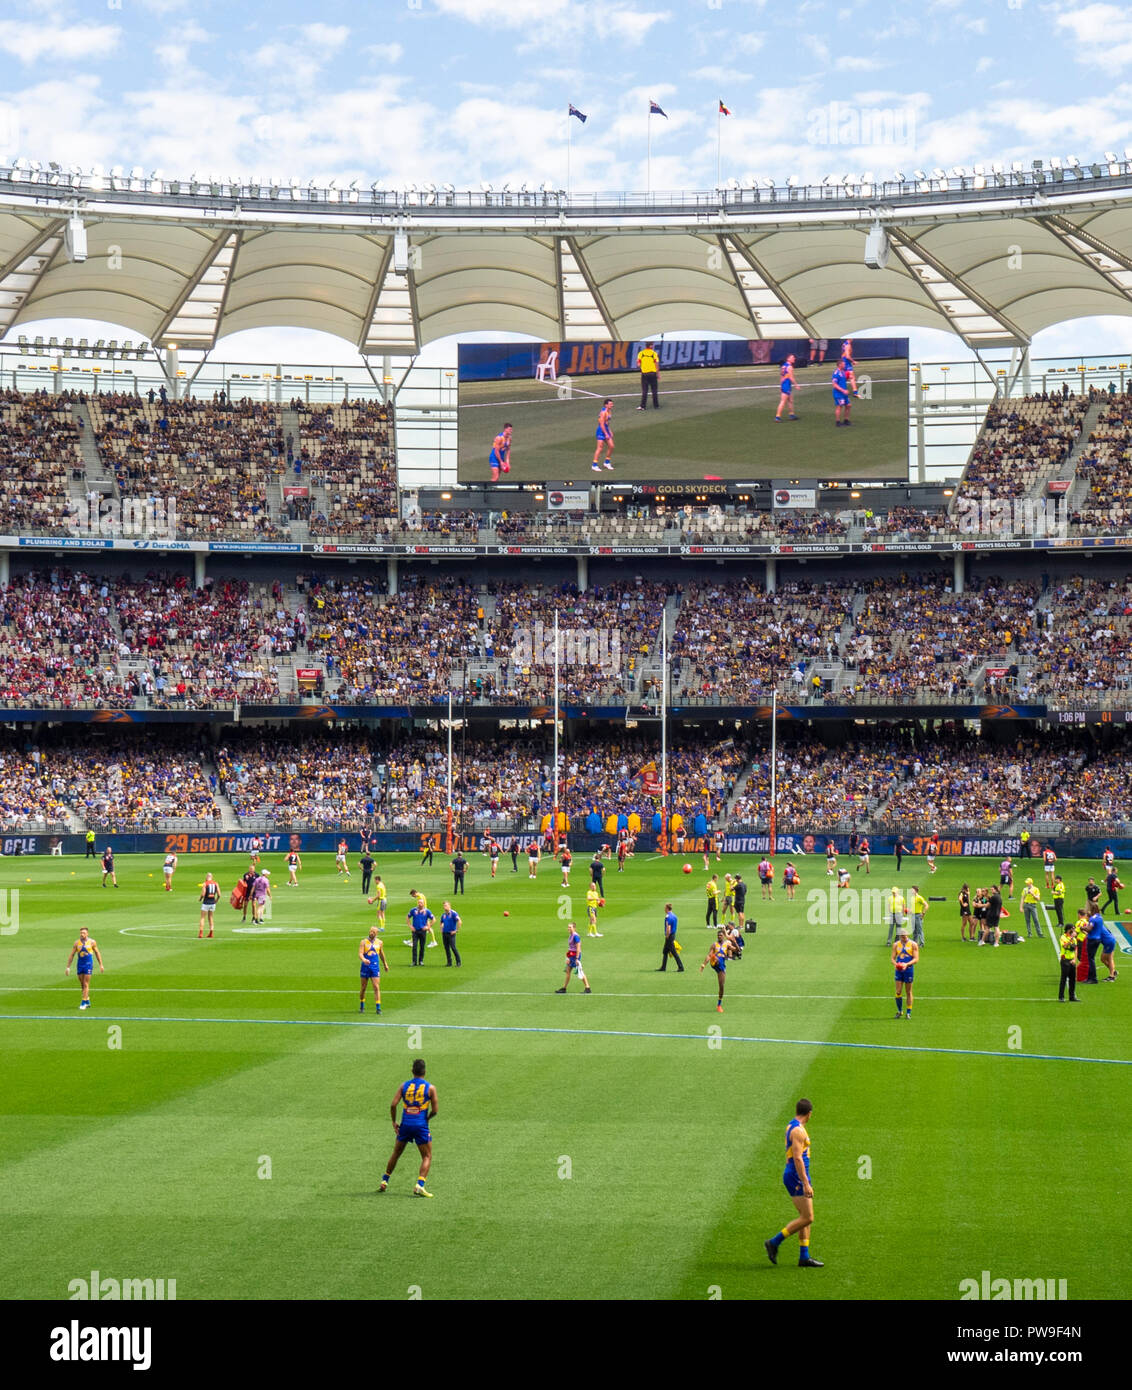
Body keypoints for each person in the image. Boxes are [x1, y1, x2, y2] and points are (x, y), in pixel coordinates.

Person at [764, 1099, 824, 1268]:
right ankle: (774, 1242)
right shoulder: (798, 1131)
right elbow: (797, 1157)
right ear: (809, 1113)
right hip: (797, 1176)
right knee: (808, 1217)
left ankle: (804, 1257)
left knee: (805, 1218)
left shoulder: (792, 1125)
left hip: (798, 1175)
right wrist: (805, 1183)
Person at [380, 1059, 437, 1197]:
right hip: (420, 1125)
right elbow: (435, 1110)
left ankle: (384, 1180)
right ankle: (420, 1185)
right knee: (427, 1156)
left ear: (412, 1071)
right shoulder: (430, 1088)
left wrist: (394, 1122)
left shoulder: (404, 1086)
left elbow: (393, 1105)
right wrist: (427, 1119)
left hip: (405, 1125)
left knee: (396, 1153)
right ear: (425, 1071)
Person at [65, 926, 103, 1009]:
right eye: (81, 933)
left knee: (86, 984)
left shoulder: (92, 942)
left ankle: (83, 1003)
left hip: (88, 964)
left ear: (87, 934)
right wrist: (68, 967)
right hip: (80, 964)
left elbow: (97, 953)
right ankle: (87, 1000)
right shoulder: (76, 943)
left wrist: (101, 964)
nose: (82, 934)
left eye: (84, 933)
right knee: (82, 984)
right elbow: (72, 955)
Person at [359, 927, 390, 1013]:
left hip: (375, 967)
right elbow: (360, 954)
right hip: (365, 967)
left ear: (376, 933)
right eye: (370, 931)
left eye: (373, 932)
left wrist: (385, 964)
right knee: (363, 987)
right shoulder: (363, 942)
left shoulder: (379, 942)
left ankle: (378, 1007)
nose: (371, 933)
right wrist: (364, 960)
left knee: (376, 987)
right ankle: (362, 1005)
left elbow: (381, 954)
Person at [555, 921, 592, 993]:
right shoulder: (571, 935)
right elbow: (571, 947)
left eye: (570, 927)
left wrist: (577, 958)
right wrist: (568, 957)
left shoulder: (575, 936)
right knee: (568, 971)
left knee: (580, 971)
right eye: (568, 927)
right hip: (571, 955)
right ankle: (564, 988)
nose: (568, 928)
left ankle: (587, 988)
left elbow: (578, 947)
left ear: (574, 928)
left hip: (575, 956)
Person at [892, 925, 918, 1019]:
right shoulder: (896, 945)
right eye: (903, 936)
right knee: (898, 991)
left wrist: (906, 965)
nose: (905, 937)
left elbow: (916, 959)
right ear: (900, 936)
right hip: (899, 971)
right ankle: (899, 1011)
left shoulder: (913, 944)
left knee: (908, 991)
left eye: (906, 936)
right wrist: (896, 964)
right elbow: (892, 958)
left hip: (909, 970)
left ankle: (908, 1012)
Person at [700, 929, 729, 1013]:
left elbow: (733, 949)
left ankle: (719, 1004)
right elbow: (709, 955)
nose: (719, 936)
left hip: (722, 967)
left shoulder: (726, 944)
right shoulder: (714, 945)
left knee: (721, 985)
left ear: (723, 935)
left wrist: (737, 951)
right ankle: (715, 960)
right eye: (718, 935)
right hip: (715, 964)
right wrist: (703, 965)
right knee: (714, 958)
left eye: (721, 935)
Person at [1058, 921, 1082, 1002]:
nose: (1075, 931)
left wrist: (1075, 959)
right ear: (1069, 930)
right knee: (1063, 979)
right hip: (1065, 960)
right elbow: (1065, 946)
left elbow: (1075, 950)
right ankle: (1061, 997)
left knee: (1072, 979)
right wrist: (1071, 939)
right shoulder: (1063, 937)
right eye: (1073, 930)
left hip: (1072, 961)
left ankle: (1072, 996)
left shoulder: (1074, 939)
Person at [407, 897, 434, 965]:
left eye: (421, 903)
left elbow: (433, 919)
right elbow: (407, 918)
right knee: (414, 946)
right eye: (419, 902)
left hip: (422, 931)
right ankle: (414, 961)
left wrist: (428, 927)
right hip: (415, 931)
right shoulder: (413, 910)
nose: (420, 904)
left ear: (423, 904)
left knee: (422, 946)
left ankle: (421, 961)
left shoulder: (427, 911)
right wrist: (410, 926)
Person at [657, 902, 683, 972]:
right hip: (673, 935)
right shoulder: (674, 916)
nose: (664, 909)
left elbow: (668, 927)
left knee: (674, 952)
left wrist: (667, 936)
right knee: (665, 951)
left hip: (669, 936)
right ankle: (663, 967)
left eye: (665, 908)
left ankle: (681, 967)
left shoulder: (668, 917)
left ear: (667, 908)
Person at [591, 398, 615, 472]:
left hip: (606, 429)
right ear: (606, 405)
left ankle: (607, 462)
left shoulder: (609, 411)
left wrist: (609, 431)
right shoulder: (603, 412)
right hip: (601, 431)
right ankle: (594, 465)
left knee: (611, 446)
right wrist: (606, 433)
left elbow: (607, 422)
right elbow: (601, 424)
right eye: (610, 404)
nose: (612, 405)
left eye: (612, 404)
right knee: (600, 448)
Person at [774, 354, 798, 421]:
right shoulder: (790, 367)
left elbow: (782, 376)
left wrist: (781, 385)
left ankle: (791, 414)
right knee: (783, 401)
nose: (794, 359)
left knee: (790, 400)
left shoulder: (783, 366)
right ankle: (777, 417)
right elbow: (791, 377)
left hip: (784, 385)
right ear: (788, 359)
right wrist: (796, 385)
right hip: (787, 385)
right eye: (792, 357)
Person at [637, 341, 660, 409]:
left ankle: (642, 406)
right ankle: (656, 406)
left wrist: (643, 367)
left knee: (644, 391)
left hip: (645, 374)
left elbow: (638, 364)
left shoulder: (641, 353)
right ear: (651, 346)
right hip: (653, 373)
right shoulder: (654, 353)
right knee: (654, 390)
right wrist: (658, 373)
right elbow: (656, 364)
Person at [1084, 909, 1105, 984]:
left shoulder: (1092, 919)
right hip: (1098, 939)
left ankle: (1093, 978)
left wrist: (1082, 928)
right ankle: (1090, 978)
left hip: (1092, 940)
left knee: (1091, 959)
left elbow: (1089, 929)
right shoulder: (1100, 917)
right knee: (1091, 958)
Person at [439, 902, 462, 967]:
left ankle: (458, 962)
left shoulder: (453, 913)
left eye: (446, 905)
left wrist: (456, 930)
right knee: (446, 948)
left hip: (451, 933)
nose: (444, 907)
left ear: (449, 906)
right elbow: (441, 922)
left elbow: (459, 921)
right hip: (445, 933)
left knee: (453, 947)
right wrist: (441, 929)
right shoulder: (443, 915)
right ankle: (449, 962)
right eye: (444, 906)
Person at [198, 873, 220, 938]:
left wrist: (200, 898)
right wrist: (216, 900)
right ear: (212, 877)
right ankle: (211, 933)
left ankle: (201, 933)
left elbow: (203, 894)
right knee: (210, 917)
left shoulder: (205, 884)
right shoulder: (216, 883)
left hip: (206, 903)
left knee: (202, 918)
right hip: (213, 903)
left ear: (206, 877)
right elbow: (219, 894)